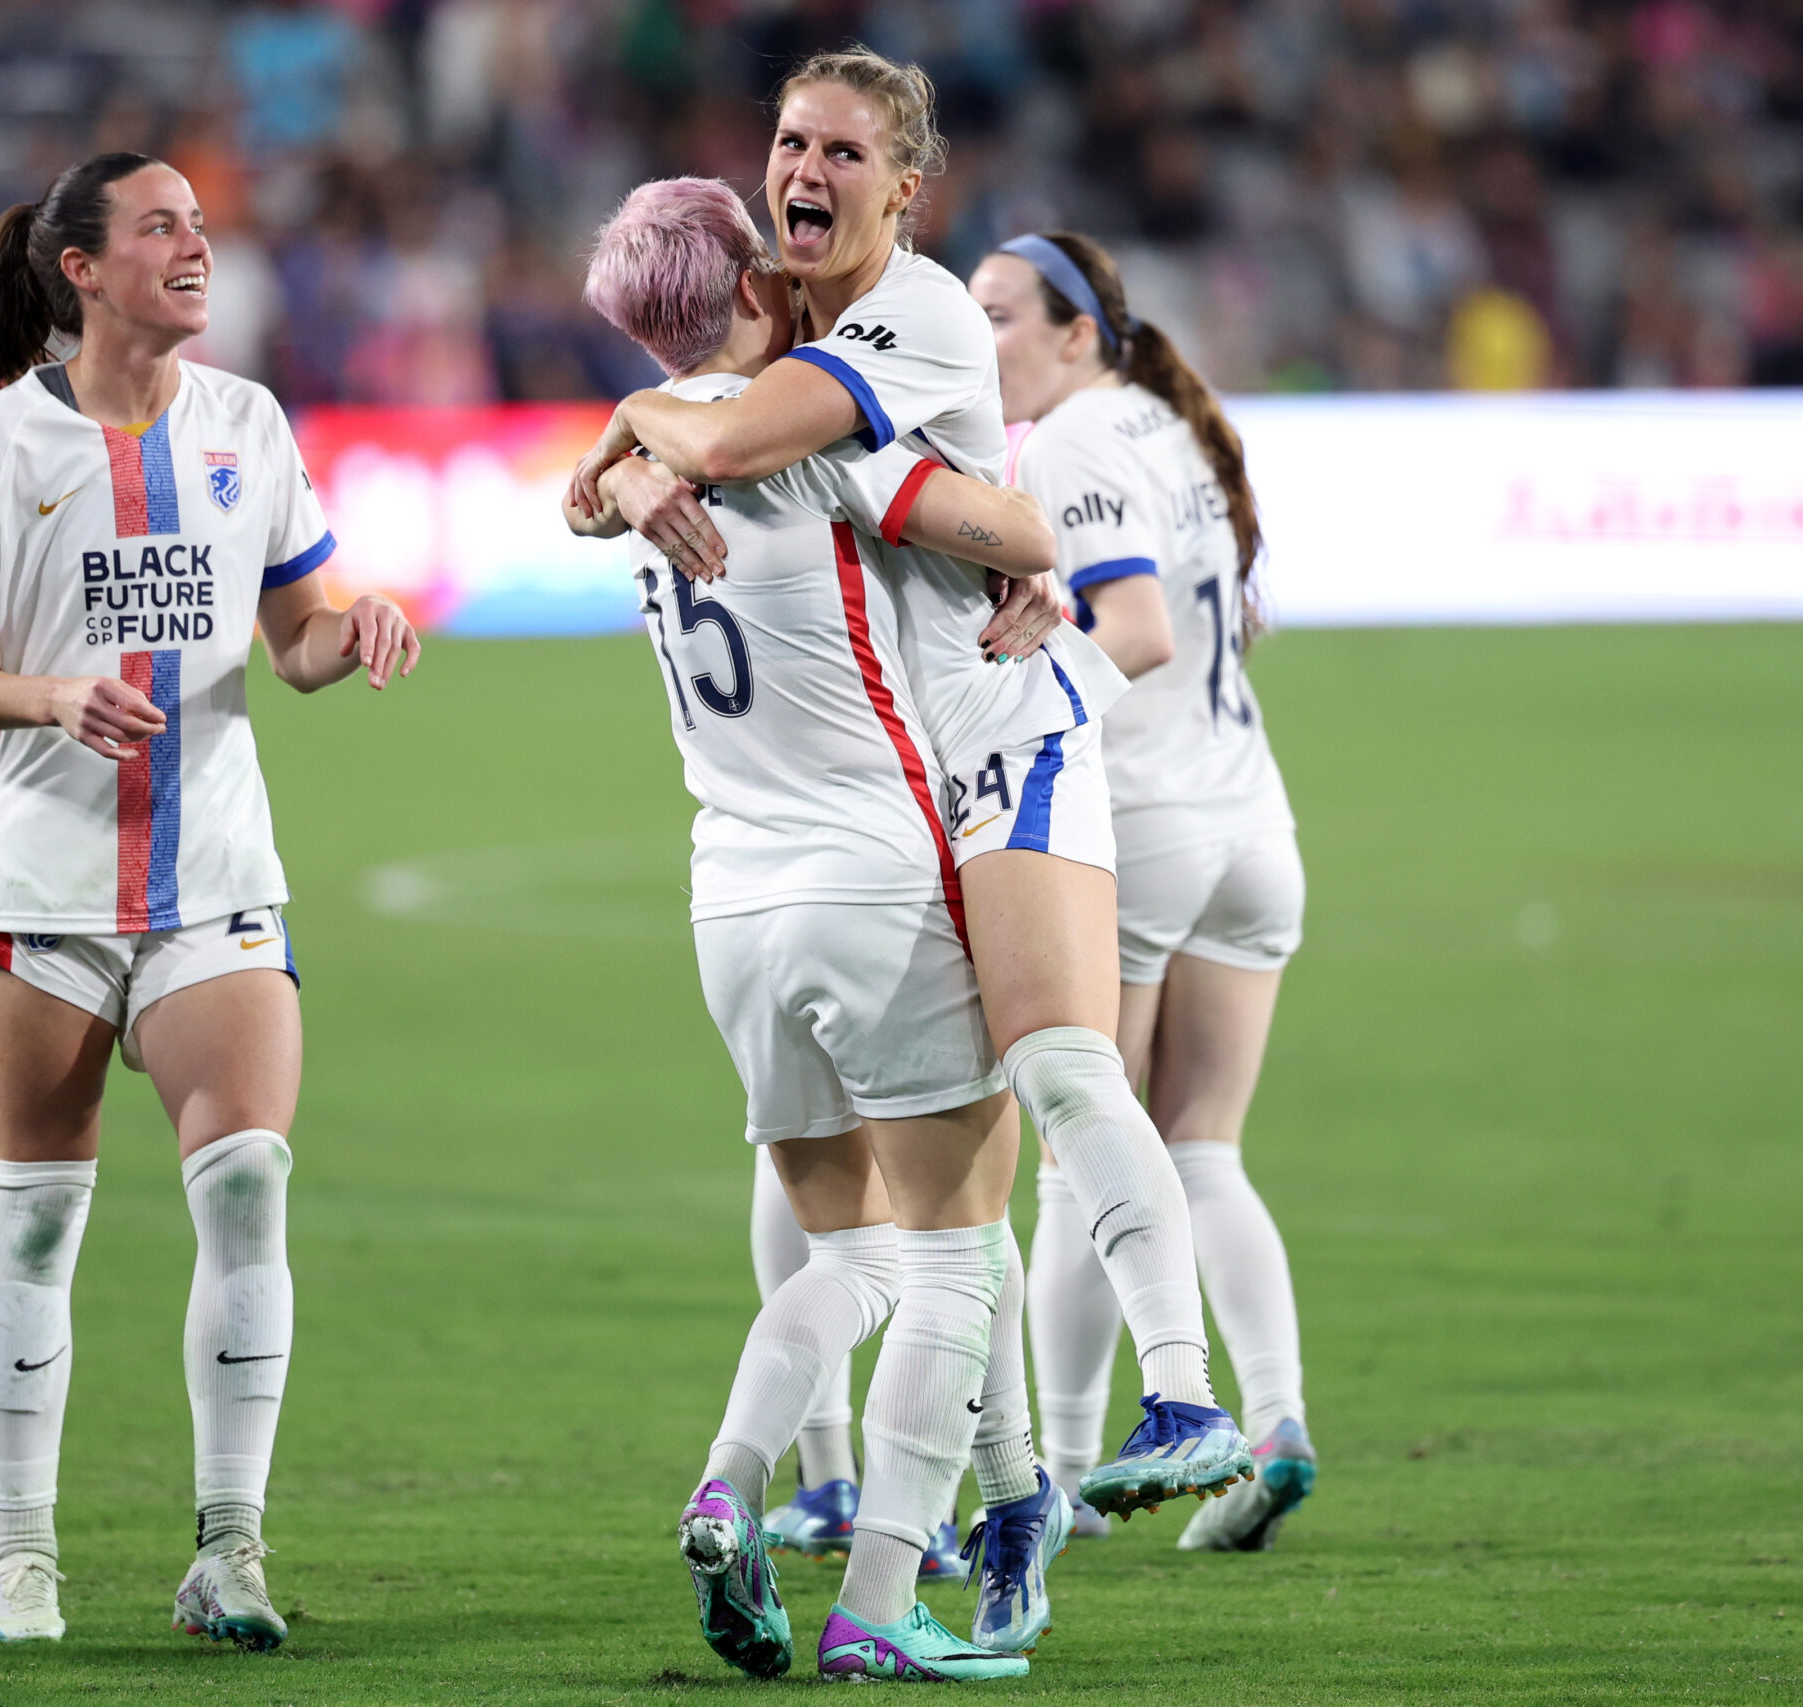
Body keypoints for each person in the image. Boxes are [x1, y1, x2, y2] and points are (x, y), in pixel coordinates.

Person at [567, 48, 1253, 1542]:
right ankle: (969, 1497)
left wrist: (639, 433)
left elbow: (807, 459)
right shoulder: (775, 330)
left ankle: (1186, 1389)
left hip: (1010, 731)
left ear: (905, 184)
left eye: (843, 153)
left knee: (1058, 1073)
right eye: (791, 143)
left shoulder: (914, 312)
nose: (806, 171)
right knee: (912, 1187)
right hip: (897, 773)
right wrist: (622, 465)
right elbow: (641, 464)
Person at [0, 152, 419, 1650]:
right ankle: (24, 1558)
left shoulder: (249, 424)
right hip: (44, 886)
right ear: (83, 270)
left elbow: (296, 637)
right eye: (160, 228)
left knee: (248, 1185)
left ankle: (228, 1549)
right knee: (39, 1222)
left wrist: (351, 623)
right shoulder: (0, 445)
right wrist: (49, 695)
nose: (195, 246)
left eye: (199, 225)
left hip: (218, 881)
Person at [567, 176, 1072, 1680]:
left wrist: (619, 445)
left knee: (843, 1252)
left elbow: (615, 468)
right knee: (960, 1255)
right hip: (872, 875)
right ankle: (877, 1598)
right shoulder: (817, 442)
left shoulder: (645, 471)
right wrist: (1030, 549)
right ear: (740, 276)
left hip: (732, 905)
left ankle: (732, 1478)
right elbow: (1008, 524)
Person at [971, 232, 1316, 1551]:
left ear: (1076, 332)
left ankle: (1057, 1475)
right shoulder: (1176, 427)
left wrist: (1017, 717)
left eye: (1002, 315)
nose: (982, 337)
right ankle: (1275, 1423)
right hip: (1255, 826)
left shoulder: (1071, 441)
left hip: (1155, 824)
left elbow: (1137, 627)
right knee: (1201, 1147)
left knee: (1075, 1158)